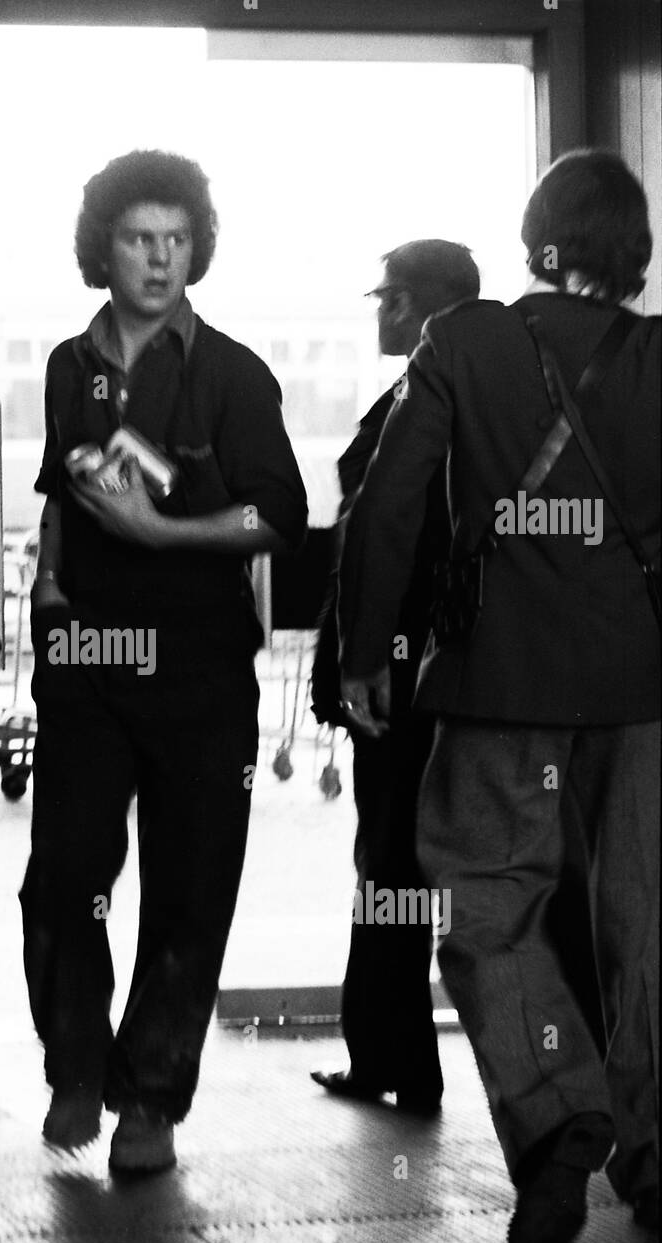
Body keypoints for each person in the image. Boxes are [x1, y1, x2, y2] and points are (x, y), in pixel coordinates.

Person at [338, 149, 660, 1243]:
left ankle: (558, 1115)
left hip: (497, 684)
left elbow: (385, 506)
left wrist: (366, 653)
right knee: (647, 920)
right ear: (637, 254)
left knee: (487, 908)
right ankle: (654, 1160)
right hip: (642, 689)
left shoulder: (463, 345)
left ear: (536, 244)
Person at [20, 149, 307, 1173]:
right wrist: (49, 589)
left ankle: (149, 1102)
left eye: (174, 240)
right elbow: (63, 487)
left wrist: (159, 535)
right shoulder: (67, 362)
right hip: (86, 658)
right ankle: (76, 1070)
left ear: (197, 249)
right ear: (104, 247)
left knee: (189, 890)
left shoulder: (233, 372)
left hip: (198, 666)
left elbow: (279, 515)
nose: (156, 257)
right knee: (62, 876)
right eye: (138, 238)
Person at [310, 241, 480, 1116]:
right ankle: (392, 1053)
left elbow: (381, 543)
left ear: (414, 306)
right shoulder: (482, 399)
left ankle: (394, 1058)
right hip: (441, 673)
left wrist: (361, 664)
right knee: (403, 868)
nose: (377, 313)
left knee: (390, 870)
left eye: (387, 299)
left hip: (404, 679)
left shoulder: (421, 400)